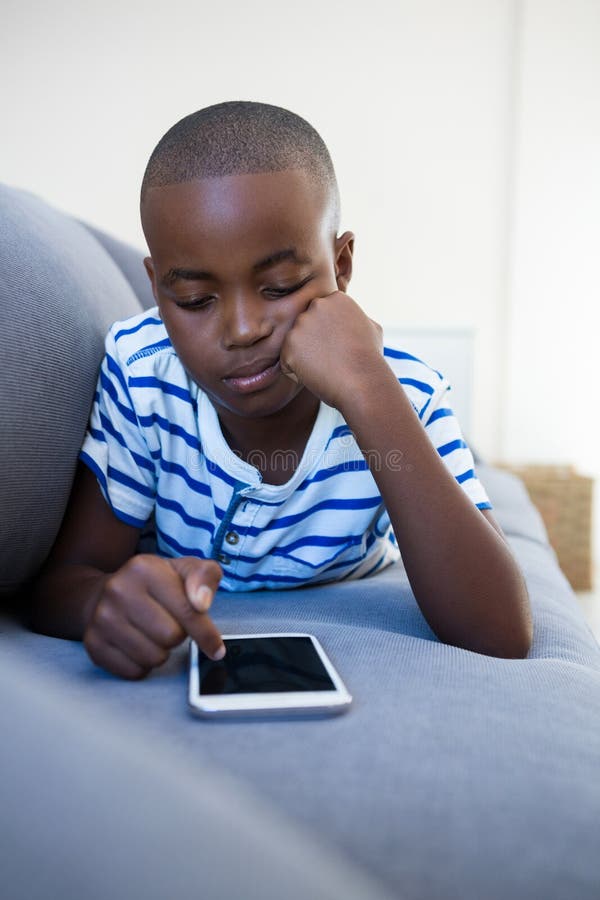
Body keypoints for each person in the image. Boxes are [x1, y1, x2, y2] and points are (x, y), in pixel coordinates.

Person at [30, 101, 532, 677]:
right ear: (157, 288)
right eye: (194, 300)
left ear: (341, 266)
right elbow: (65, 581)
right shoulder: (143, 373)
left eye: (280, 287)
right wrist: (102, 605)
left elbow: (501, 632)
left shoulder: (407, 393)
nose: (243, 330)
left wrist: (368, 391)